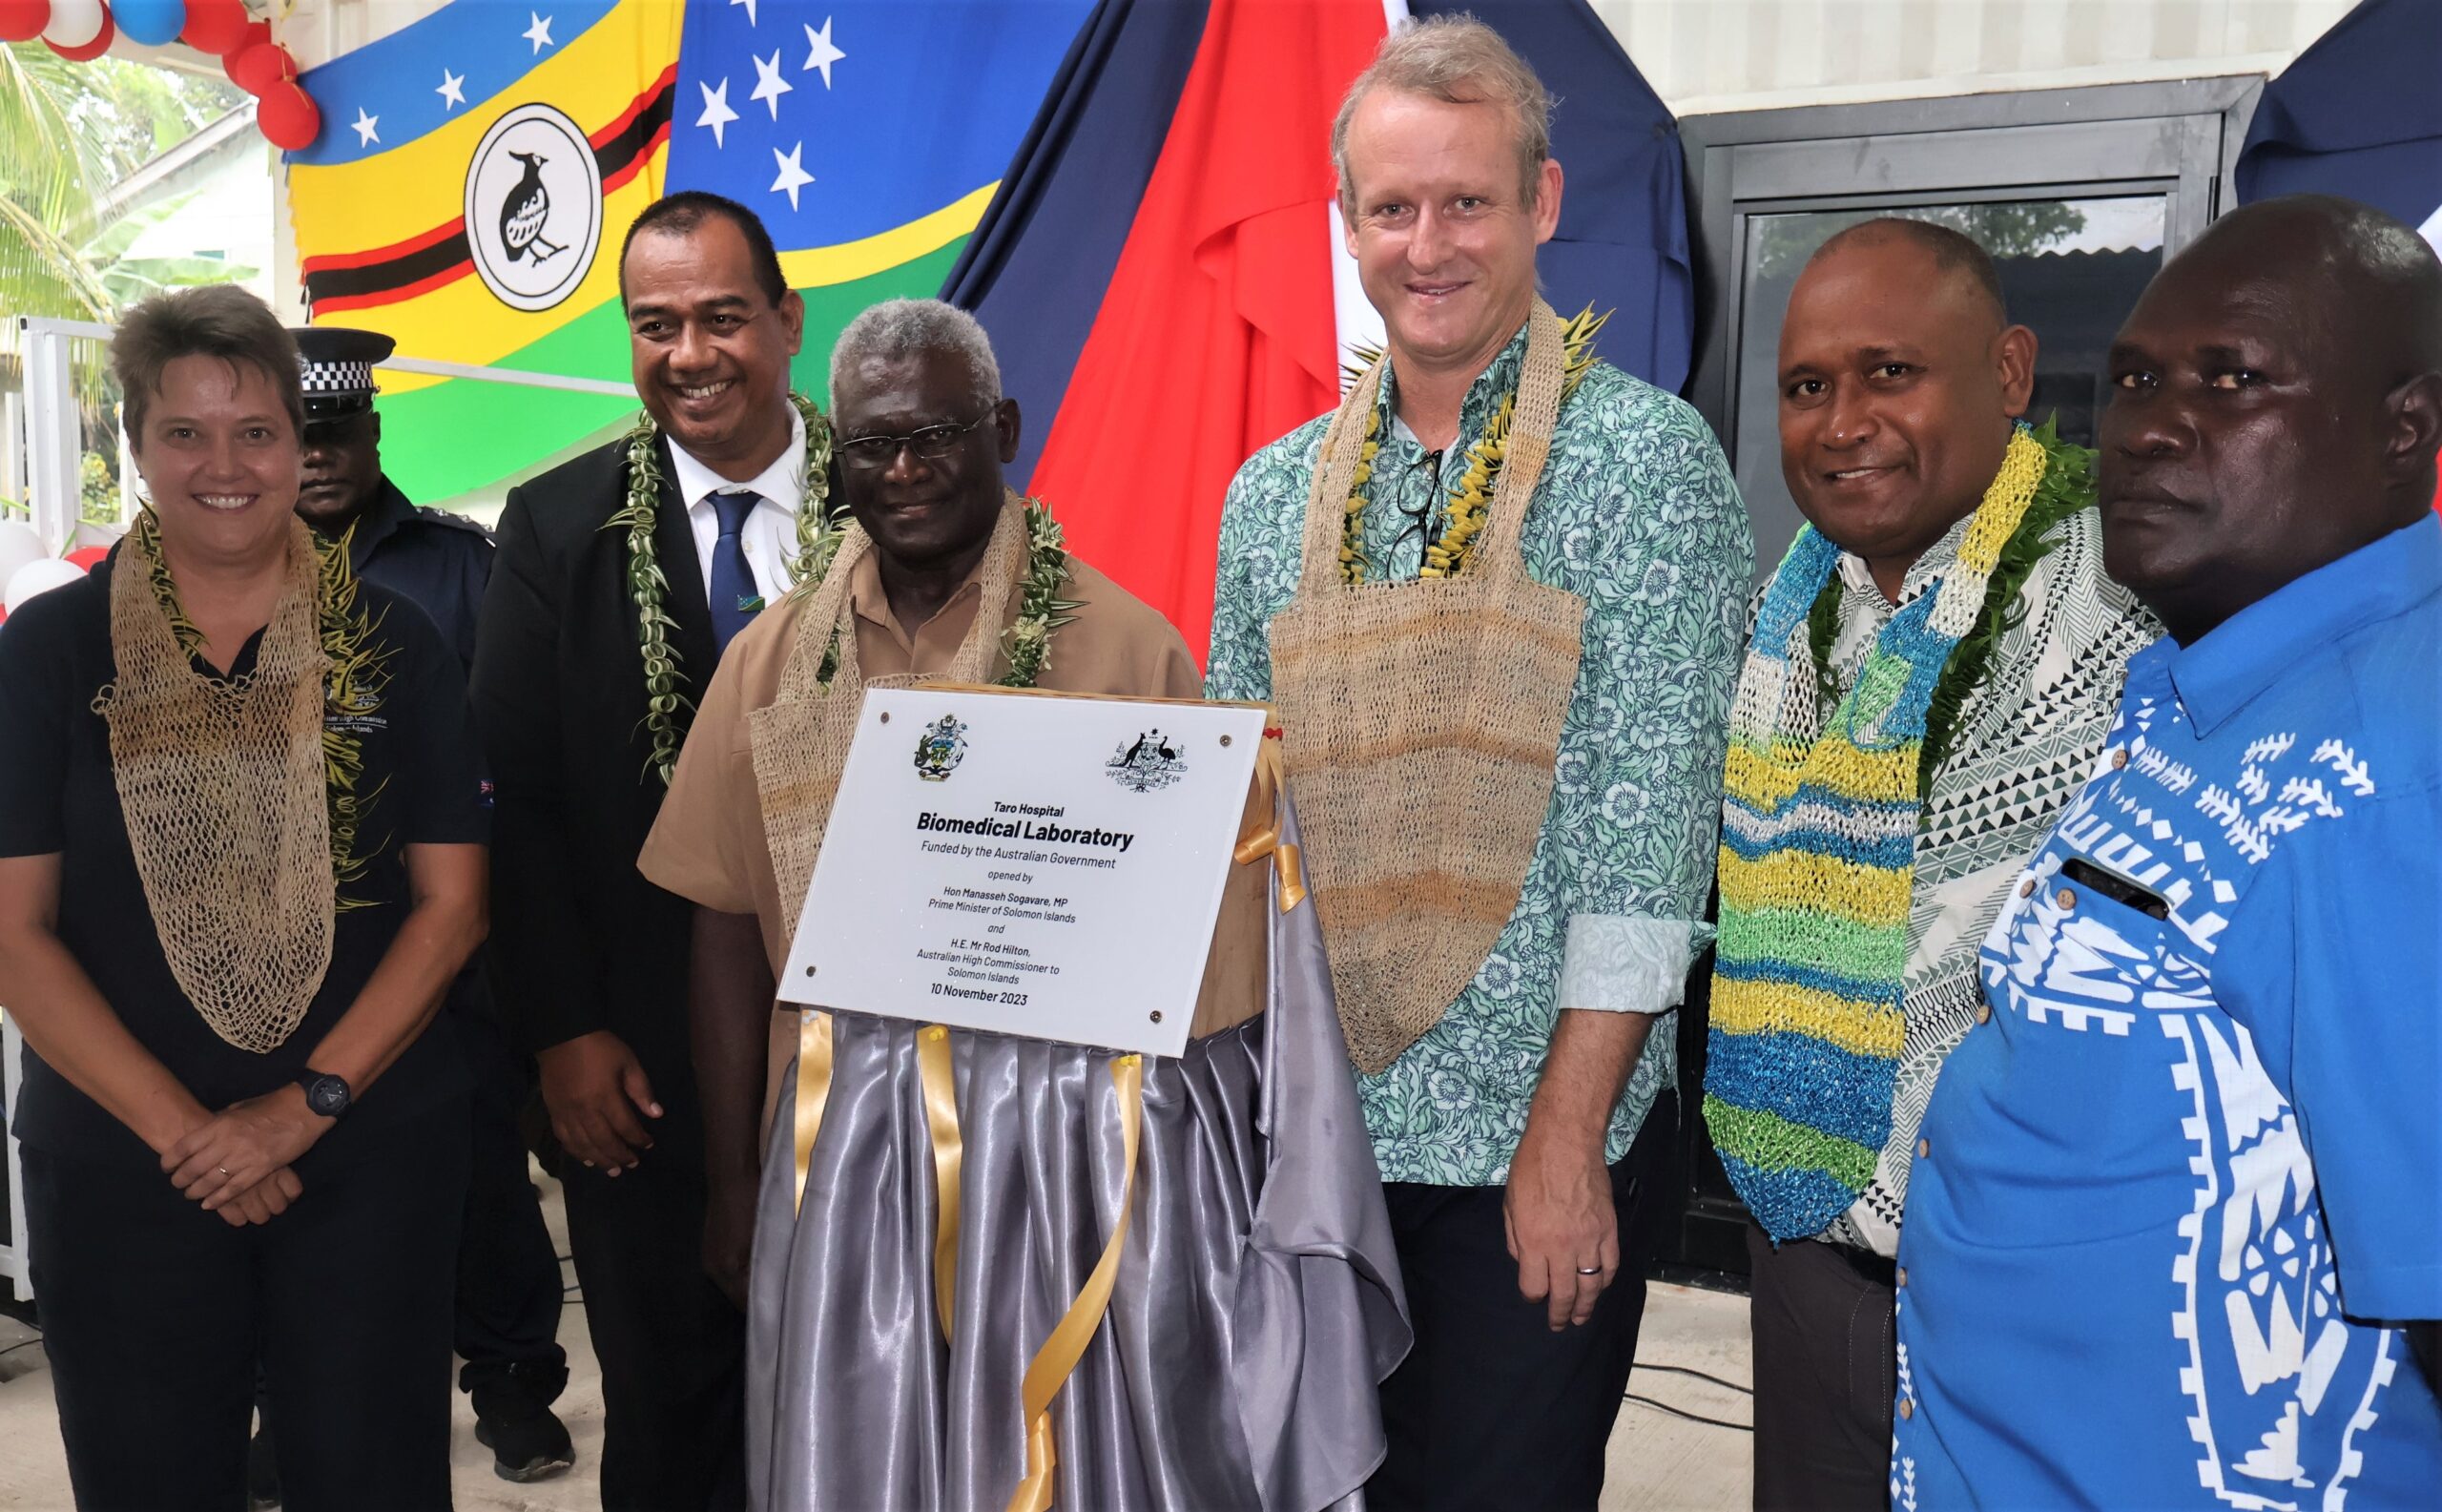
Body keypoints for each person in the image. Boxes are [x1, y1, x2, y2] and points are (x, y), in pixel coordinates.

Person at [638, 298, 1407, 1510]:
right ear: (832, 456)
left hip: (1068, 1186)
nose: (902, 473)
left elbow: (1201, 981)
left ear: (1002, 428)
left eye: (935, 436)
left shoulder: (1127, 655)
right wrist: (734, 1180)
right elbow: (724, 923)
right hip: (838, 1169)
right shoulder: (772, 664)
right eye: (870, 445)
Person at [1205, 18, 1751, 1506]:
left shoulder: (1646, 468)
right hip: (1321, 1147)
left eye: (1467, 202)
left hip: (1538, 1144)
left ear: (1545, 205)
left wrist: (1567, 1142)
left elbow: (1649, 853)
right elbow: (1240, 838)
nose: (1427, 243)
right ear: (1348, 225)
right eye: (1393, 207)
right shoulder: (1269, 497)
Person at [1890, 194, 2442, 1505]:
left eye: (2234, 378)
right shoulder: (2214, 698)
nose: (2146, 425)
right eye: (2134, 377)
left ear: (2404, 427)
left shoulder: (2381, 764)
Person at [0, 286, 488, 1508]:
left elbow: (451, 910)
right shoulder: (50, 652)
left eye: (257, 431)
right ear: (135, 444)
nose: (226, 466)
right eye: (186, 433)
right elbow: (13, 932)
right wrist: (193, 1134)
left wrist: (301, 1108)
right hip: (124, 1165)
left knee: (372, 1476)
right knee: (149, 1477)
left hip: (366, 1148)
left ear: (299, 444)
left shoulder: (396, 639)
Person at [1698, 219, 2155, 1508]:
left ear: (2010, 375)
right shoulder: (1793, 613)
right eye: (1807, 387)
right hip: (1801, 1225)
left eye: (1890, 371)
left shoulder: (2118, 603)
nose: (1844, 421)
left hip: (2026, 1266)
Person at [472, 190, 820, 1511]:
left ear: (786, 323)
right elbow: (518, 800)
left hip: (878, 1066)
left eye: (724, 317)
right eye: (656, 323)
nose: (691, 353)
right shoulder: (558, 529)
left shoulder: (898, 493)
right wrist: (562, 1032)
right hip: (637, 1063)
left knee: (866, 1398)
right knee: (670, 1411)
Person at [276, 326, 575, 1487]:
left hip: (443, 937)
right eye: (292, 436)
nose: (313, 459)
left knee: (477, 1166)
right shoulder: (219, 571)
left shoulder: (461, 565)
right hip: (284, 946)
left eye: (334, 433)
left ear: (372, 433)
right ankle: (290, 1399)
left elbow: (510, 746)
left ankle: (509, 1381)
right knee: (297, 1181)